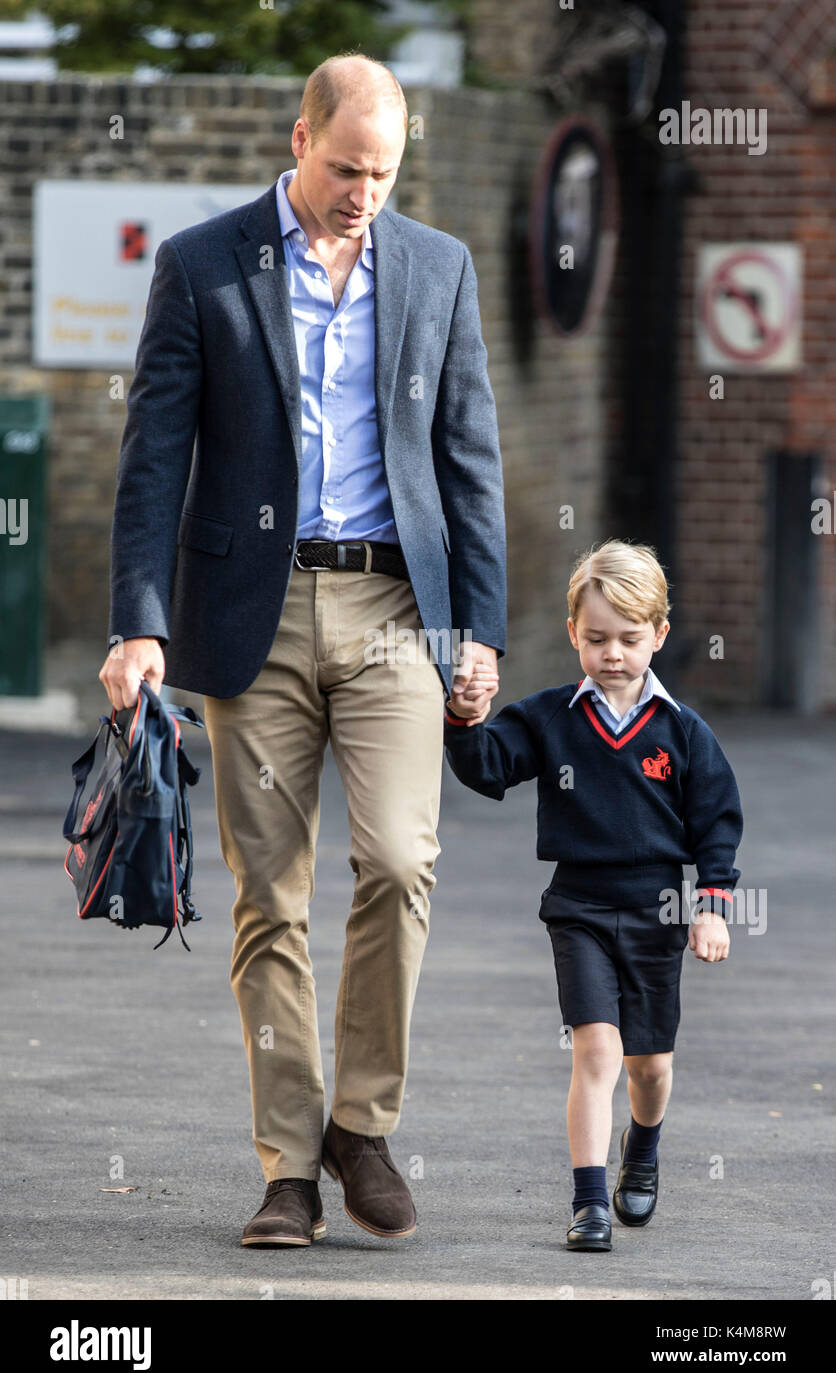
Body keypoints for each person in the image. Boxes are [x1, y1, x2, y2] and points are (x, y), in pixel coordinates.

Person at [98, 54, 506, 1247]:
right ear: (299, 139)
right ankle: (288, 1165)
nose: (361, 194)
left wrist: (477, 632)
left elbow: (467, 457)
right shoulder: (203, 264)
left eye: (382, 174)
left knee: (400, 861)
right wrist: (138, 622)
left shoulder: (437, 267)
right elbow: (152, 457)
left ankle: (360, 1126)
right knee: (269, 896)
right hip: (252, 613)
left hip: (394, 611)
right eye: (343, 168)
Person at [443, 539, 743, 1252]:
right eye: (597, 638)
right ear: (573, 631)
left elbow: (717, 823)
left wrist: (712, 906)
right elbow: (488, 768)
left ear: (659, 635)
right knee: (596, 1052)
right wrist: (464, 717)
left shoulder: (683, 732)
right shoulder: (551, 717)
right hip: (577, 907)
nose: (612, 654)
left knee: (650, 1067)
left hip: (657, 912)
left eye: (630, 639)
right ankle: (588, 1204)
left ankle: (643, 1147)